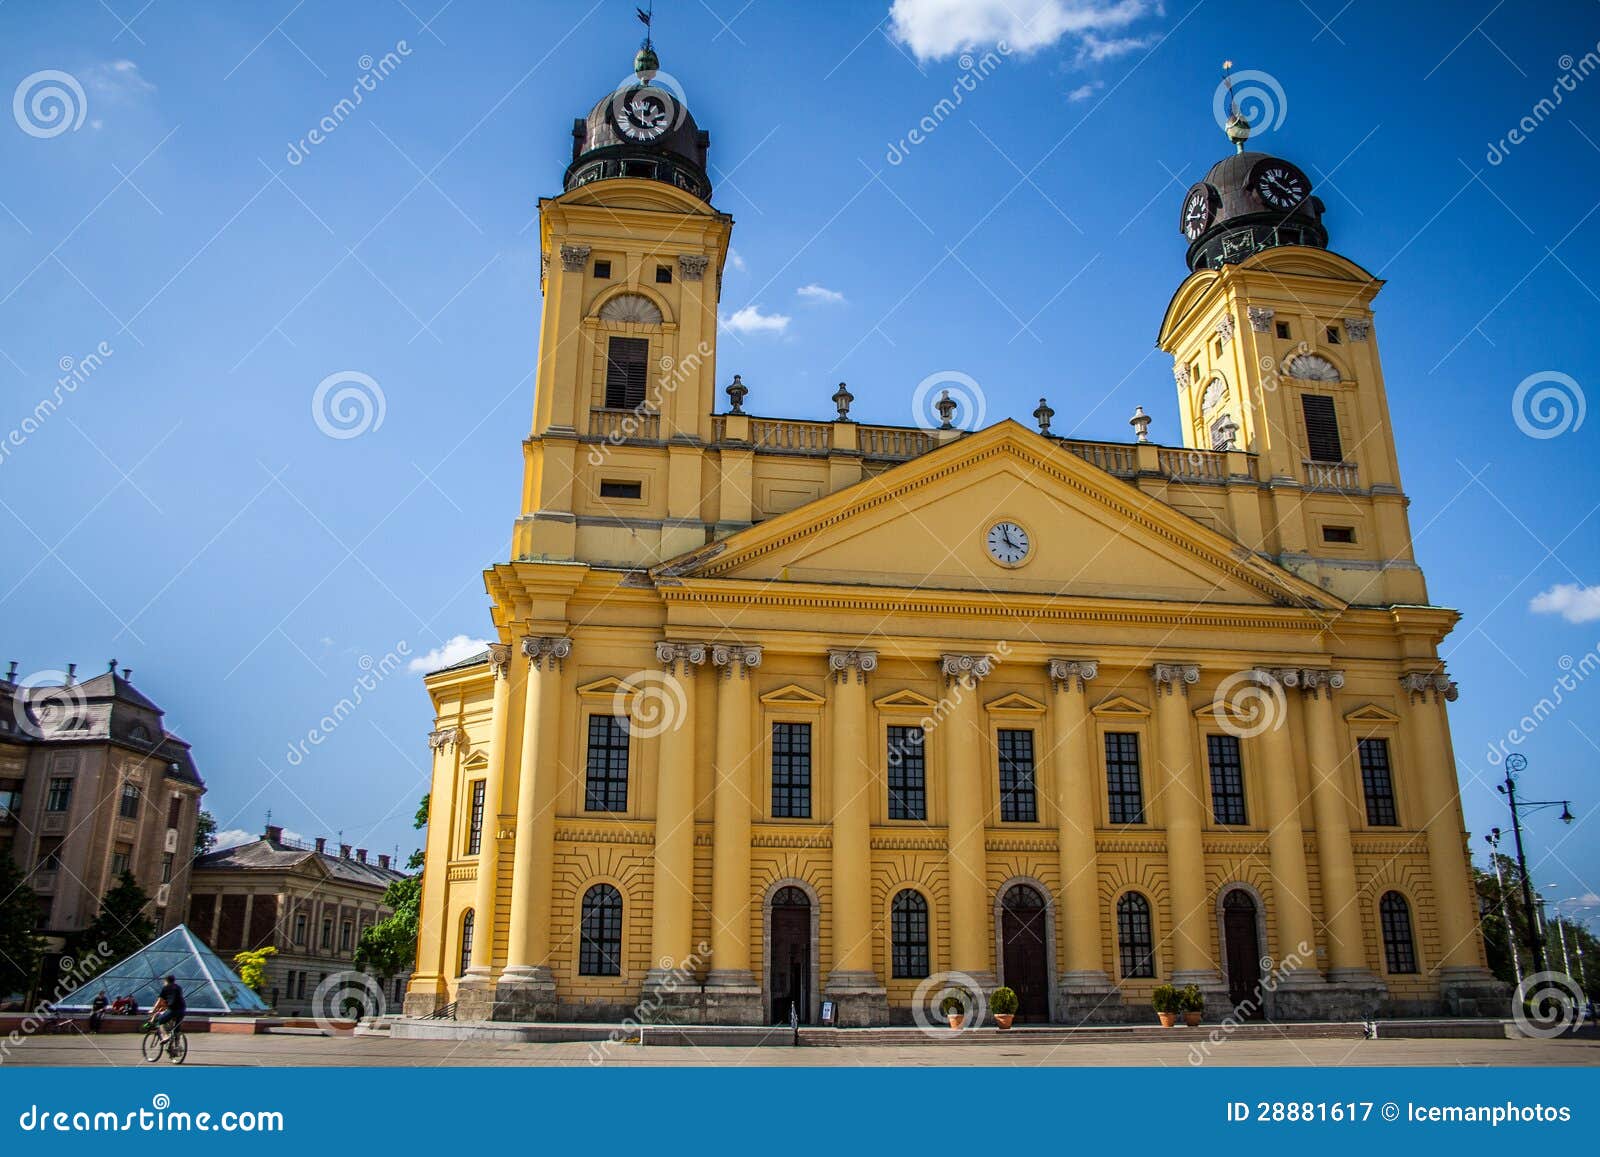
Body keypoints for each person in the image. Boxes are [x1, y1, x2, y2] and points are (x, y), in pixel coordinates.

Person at [150, 975, 185, 1045]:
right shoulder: (179, 987)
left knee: (160, 1021)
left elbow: (160, 1000)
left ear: (166, 981)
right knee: (176, 1029)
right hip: (182, 1009)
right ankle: (177, 1047)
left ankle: (165, 1036)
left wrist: (153, 1010)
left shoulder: (165, 988)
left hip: (173, 1009)